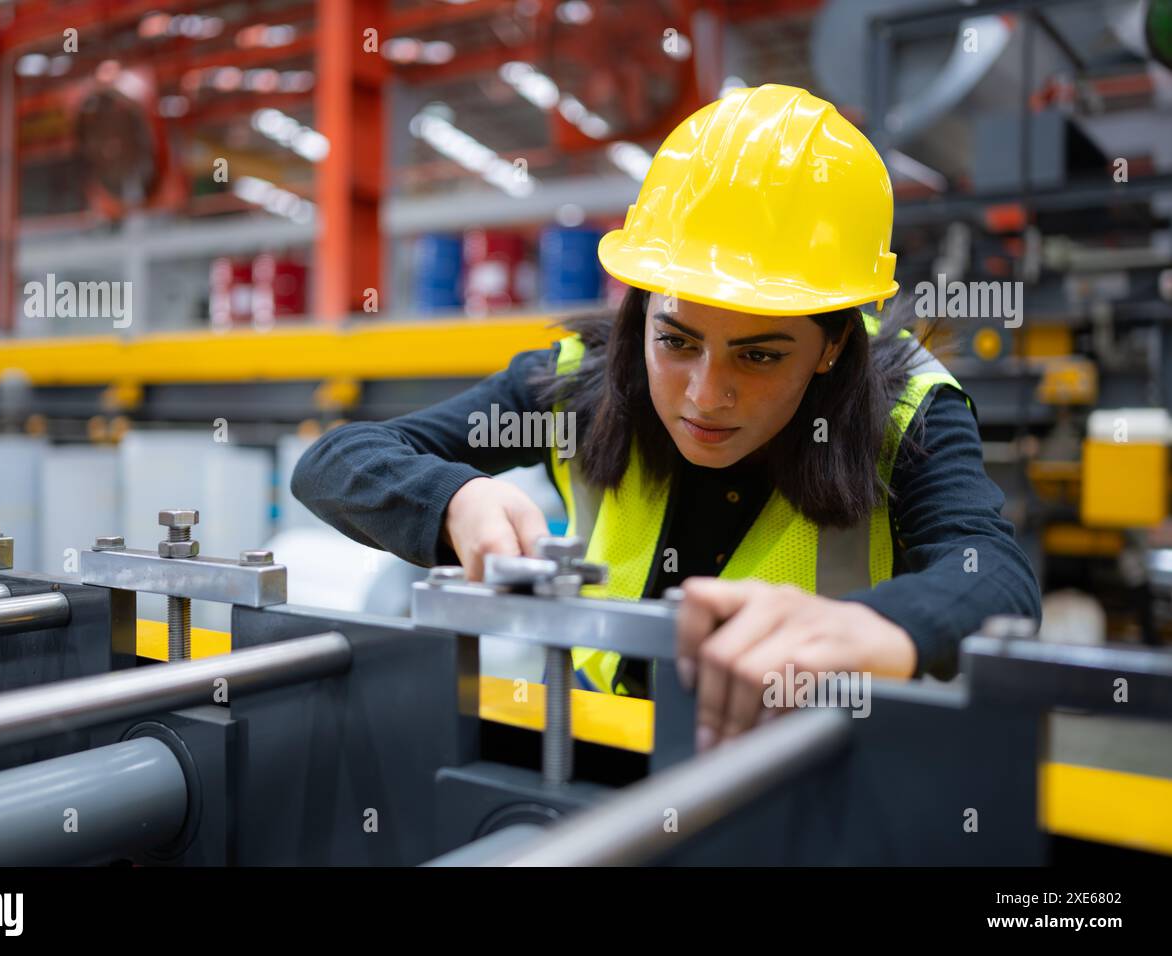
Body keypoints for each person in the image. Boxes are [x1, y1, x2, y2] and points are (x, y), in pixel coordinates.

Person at [293, 84, 1041, 749]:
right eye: (676, 341)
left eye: (758, 356)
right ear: (642, 309)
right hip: (597, 747)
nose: (703, 395)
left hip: (805, 765)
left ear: (831, 345)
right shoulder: (571, 388)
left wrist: (875, 627)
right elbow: (335, 460)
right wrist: (453, 498)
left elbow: (995, 576)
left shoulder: (907, 411)